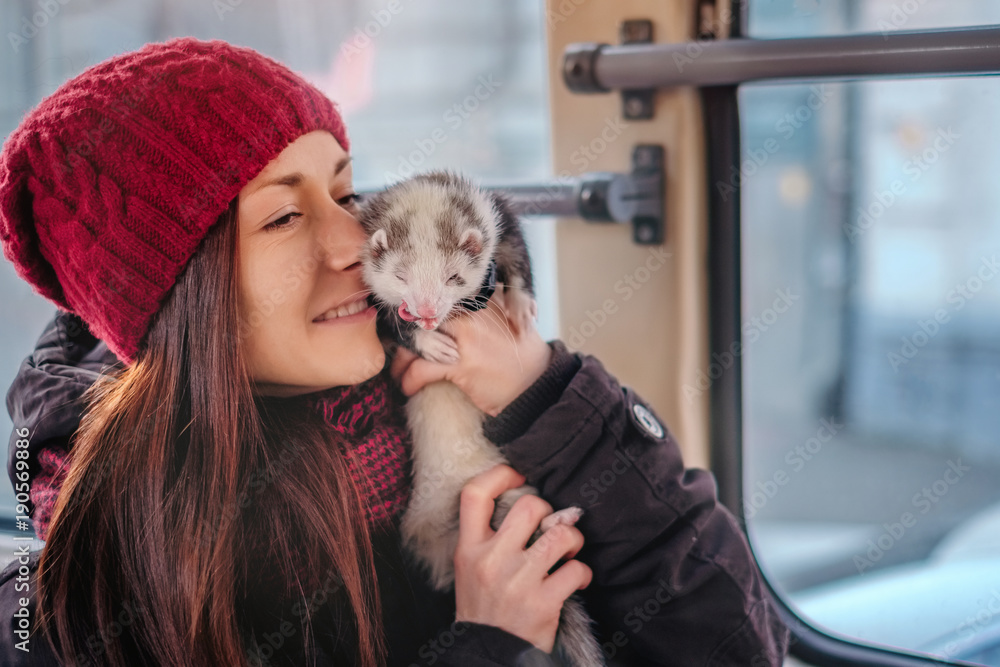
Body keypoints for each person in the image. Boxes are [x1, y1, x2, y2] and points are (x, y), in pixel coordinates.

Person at [0, 37, 789, 666]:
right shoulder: (65, 605)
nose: (355, 237)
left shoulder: (457, 407)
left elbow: (736, 648)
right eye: (283, 218)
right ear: (179, 303)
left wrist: (562, 406)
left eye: (344, 193)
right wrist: (488, 644)